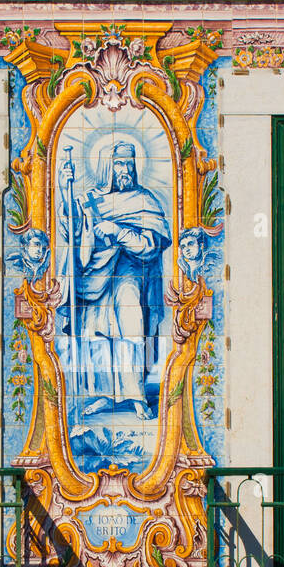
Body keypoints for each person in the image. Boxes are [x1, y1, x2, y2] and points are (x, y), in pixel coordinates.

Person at [59, 141, 170, 419]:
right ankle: (103, 395)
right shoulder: (90, 198)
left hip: (130, 273)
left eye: (130, 163)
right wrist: (64, 190)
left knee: (131, 329)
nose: (126, 169)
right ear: (107, 166)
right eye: (120, 163)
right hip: (96, 276)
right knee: (96, 332)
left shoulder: (145, 200)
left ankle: (135, 396)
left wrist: (117, 231)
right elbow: (72, 231)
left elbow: (150, 245)